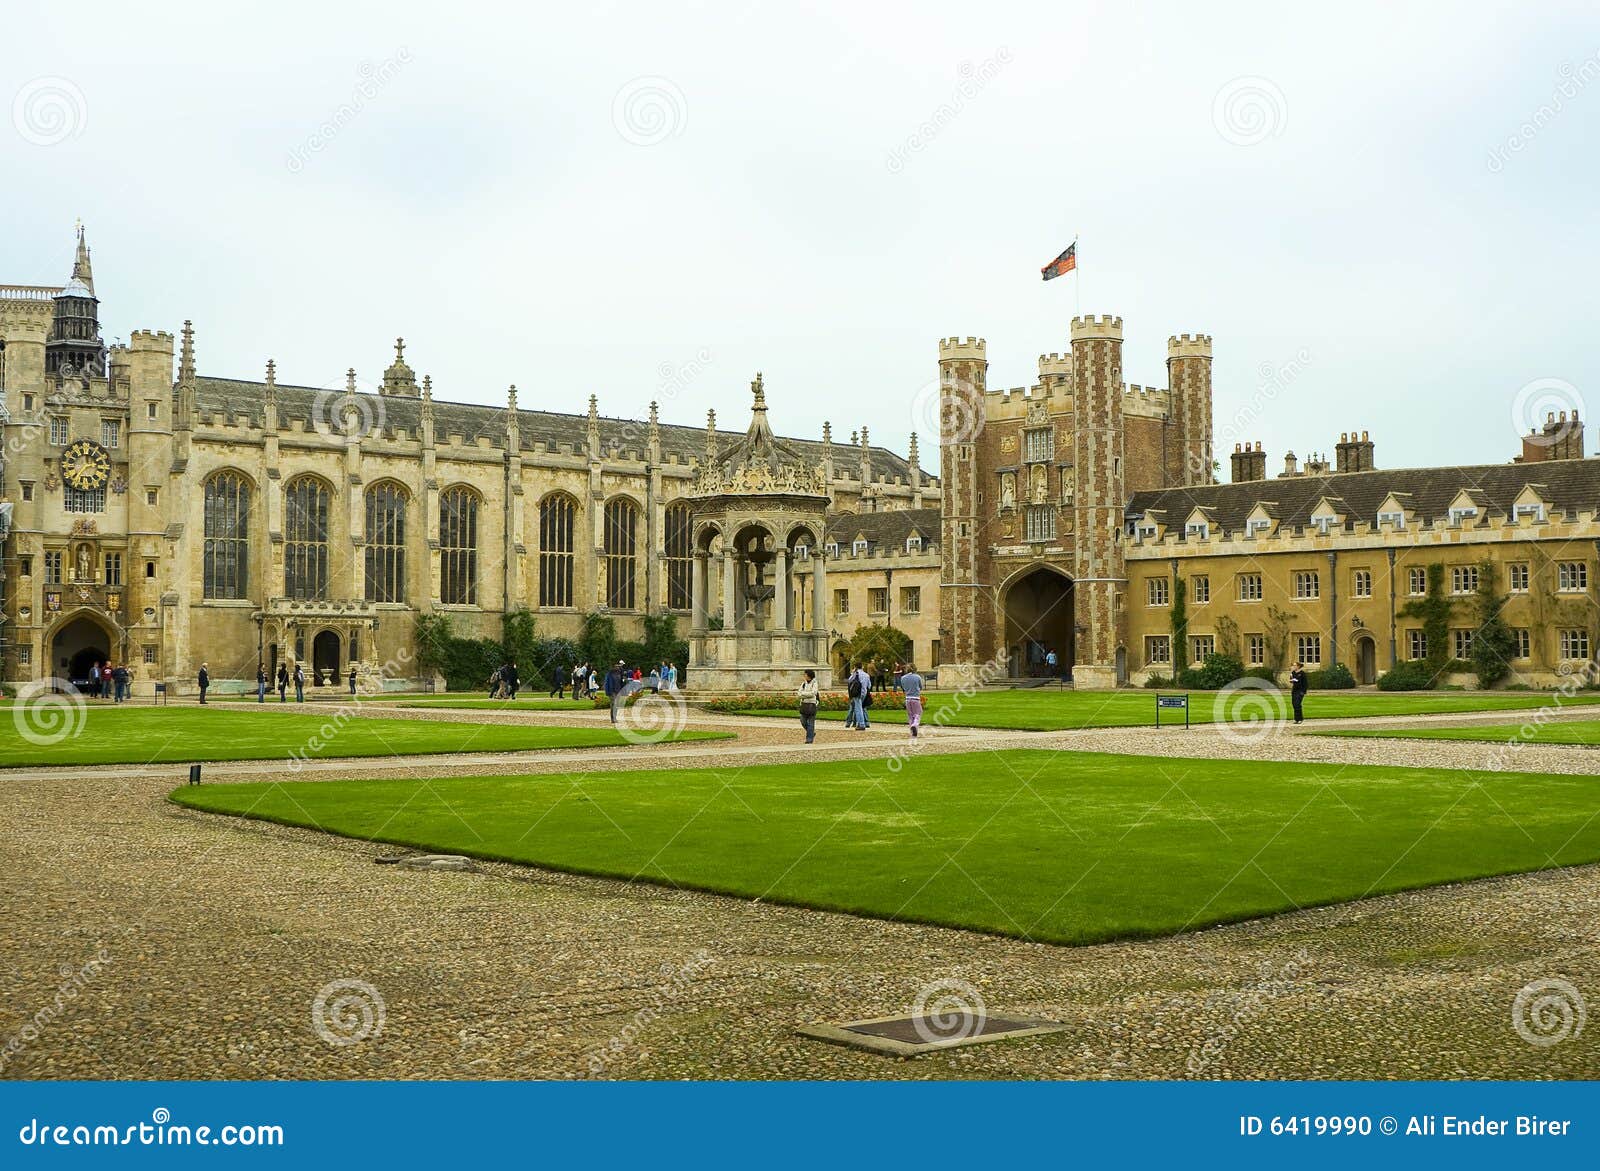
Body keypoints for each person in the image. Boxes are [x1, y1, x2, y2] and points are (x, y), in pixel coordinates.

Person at [900, 662, 925, 739]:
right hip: (916, 698)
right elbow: (921, 687)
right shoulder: (917, 677)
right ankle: (915, 725)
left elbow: (903, 688)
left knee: (910, 716)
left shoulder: (903, 678)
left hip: (907, 699)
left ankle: (913, 732)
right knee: (918, 714)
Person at [797, 669, 820, 744]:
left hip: (811, 704)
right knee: (802, 721)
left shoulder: (815, 683)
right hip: (804, 704)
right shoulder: (803, 683)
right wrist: (806, 694)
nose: (804, 676)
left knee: (810, 723)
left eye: (805, 674)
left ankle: (809, 739)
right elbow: (799, 693)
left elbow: (813, 693)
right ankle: (811, 733)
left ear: (809, 675)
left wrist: (803, 694)